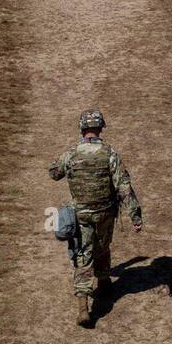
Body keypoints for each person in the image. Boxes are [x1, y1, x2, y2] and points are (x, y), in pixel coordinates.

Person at [48, 109, 143, 327]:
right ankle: (104, 281)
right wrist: (135, 217)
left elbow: (54, 173)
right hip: (105, 213)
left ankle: (83, 308)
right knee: (103, 246)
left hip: (80, 215)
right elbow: (124, 186)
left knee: (83, 255)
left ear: (82, 129)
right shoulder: (110, 153)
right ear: (100, 128)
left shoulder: (72, 153)